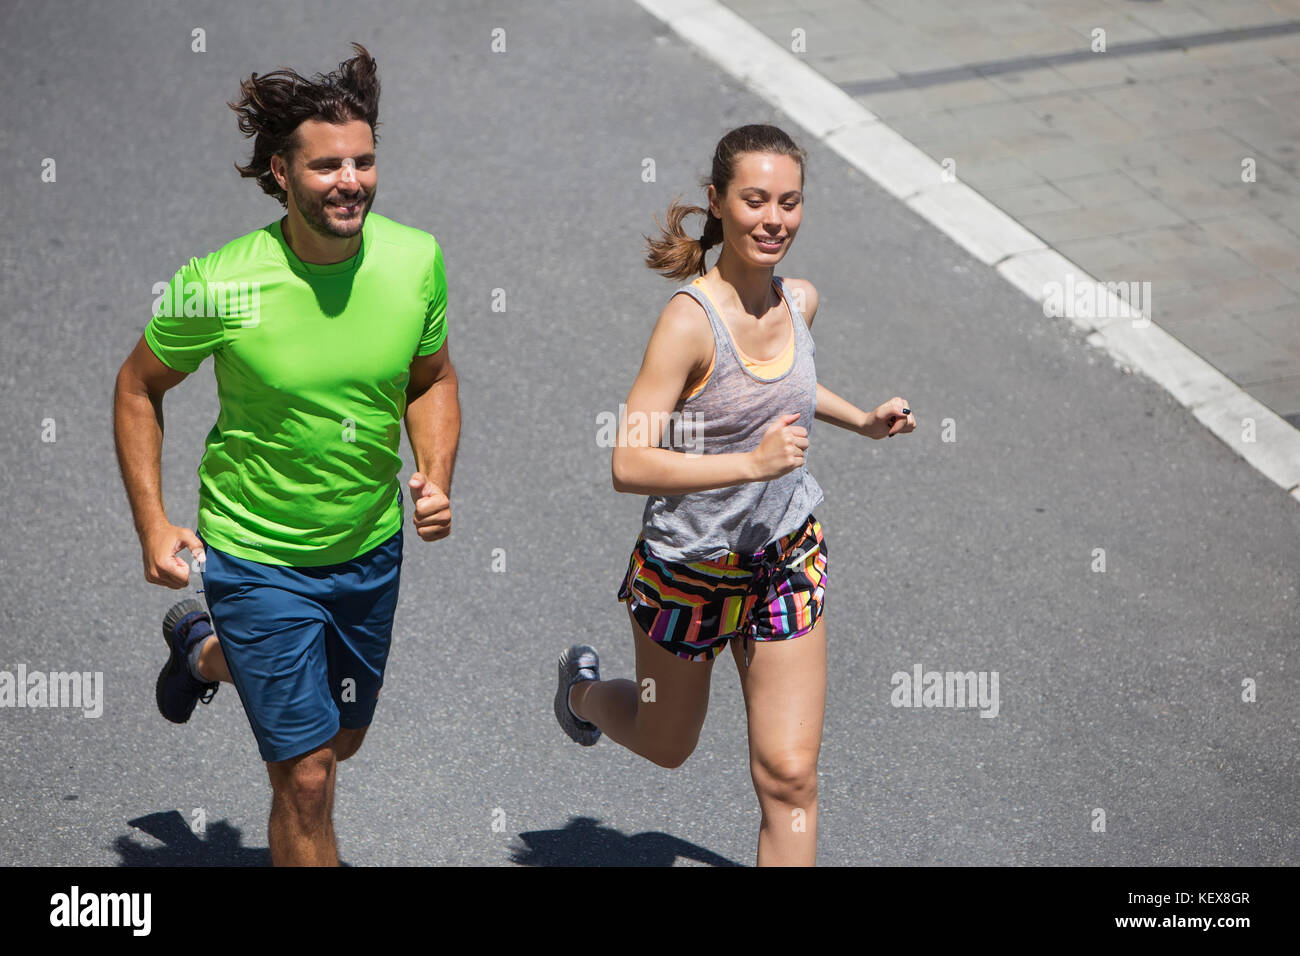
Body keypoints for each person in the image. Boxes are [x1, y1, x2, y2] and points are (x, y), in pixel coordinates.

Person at [112, 43, 459, 866]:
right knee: (306, 777)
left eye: (365, 162)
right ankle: (230, 629)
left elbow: (432, 377)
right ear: (280, 173)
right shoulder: (220, 283)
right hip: (257, 551)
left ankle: (202, 647)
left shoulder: (415, 262)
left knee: (342, 739)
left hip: (368, 548)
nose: (352, 182)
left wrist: (436, 475)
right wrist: (153, 523)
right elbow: (138, 386)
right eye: (328, 165)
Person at [554, 123, 915, 866]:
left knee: (790, 776)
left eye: (788, 202)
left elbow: (792, 389)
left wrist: (864, 422)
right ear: (718, 203)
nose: (772, 219)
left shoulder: (800, 301)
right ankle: (582, 695)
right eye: (754, 200)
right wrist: (751, 465)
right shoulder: (689, 324)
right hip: (688, 569)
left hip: (784, 558)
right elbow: (629, 461)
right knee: (666, 744)